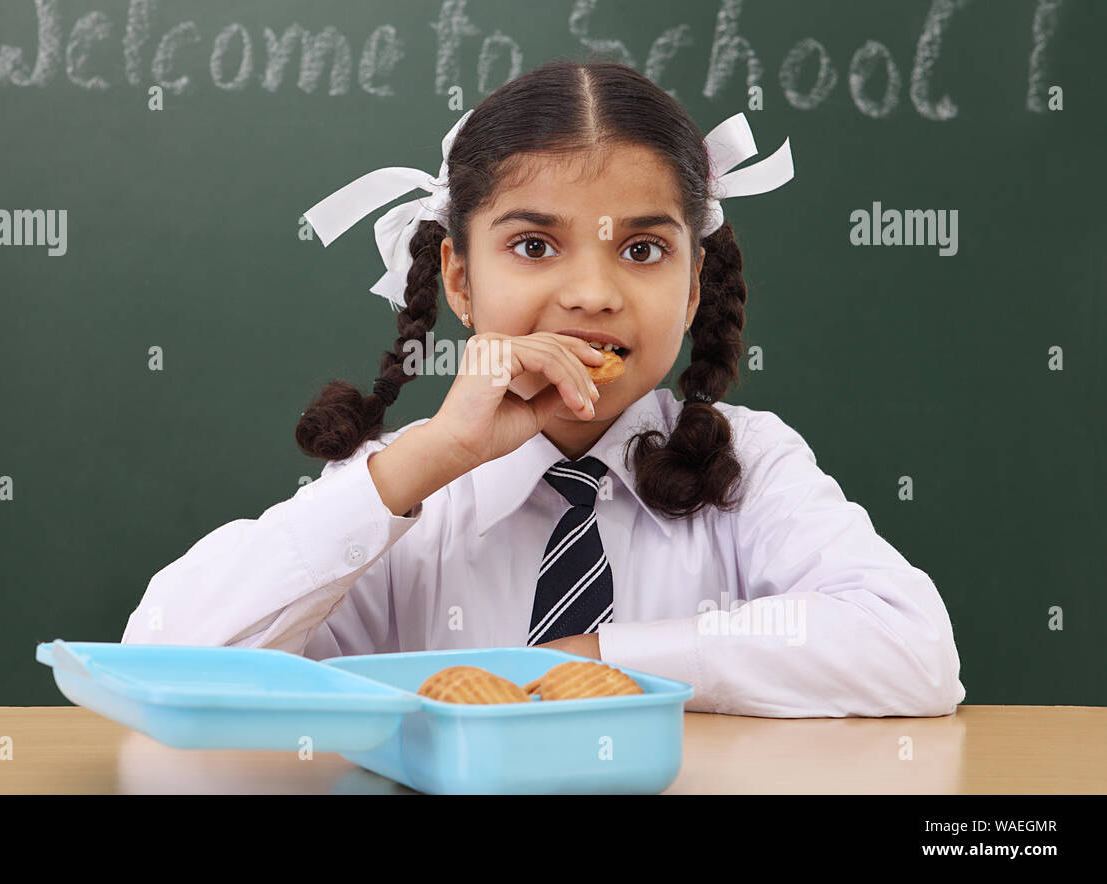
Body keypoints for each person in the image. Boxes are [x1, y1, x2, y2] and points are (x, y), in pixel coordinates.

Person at [122, 58, 965, 718]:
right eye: (533, 246)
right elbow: (163, 662)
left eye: (642, 251)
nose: (593, 294)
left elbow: (913, 649)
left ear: (695, 286)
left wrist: (596, 661)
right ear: (458, 279)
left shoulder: (753, 467)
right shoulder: (404, 499)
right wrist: (429, 457)